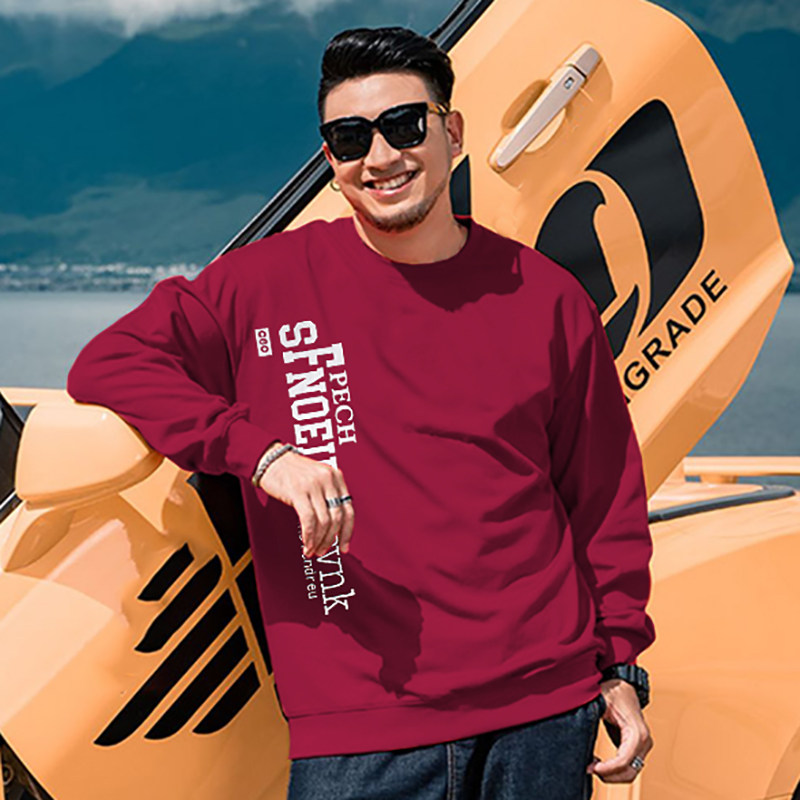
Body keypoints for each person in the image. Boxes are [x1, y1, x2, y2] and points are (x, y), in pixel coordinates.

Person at [67, 25, 656, 800]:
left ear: (452, 133)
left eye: (405, 126)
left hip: (541, 714)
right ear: (330, 159)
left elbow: (604, 497)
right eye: (350, 138)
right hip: (360, 729)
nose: (380, 156)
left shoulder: (545, 297)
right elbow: (109, 363)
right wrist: (262, 454)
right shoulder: (262, 285)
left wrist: (620, 666)